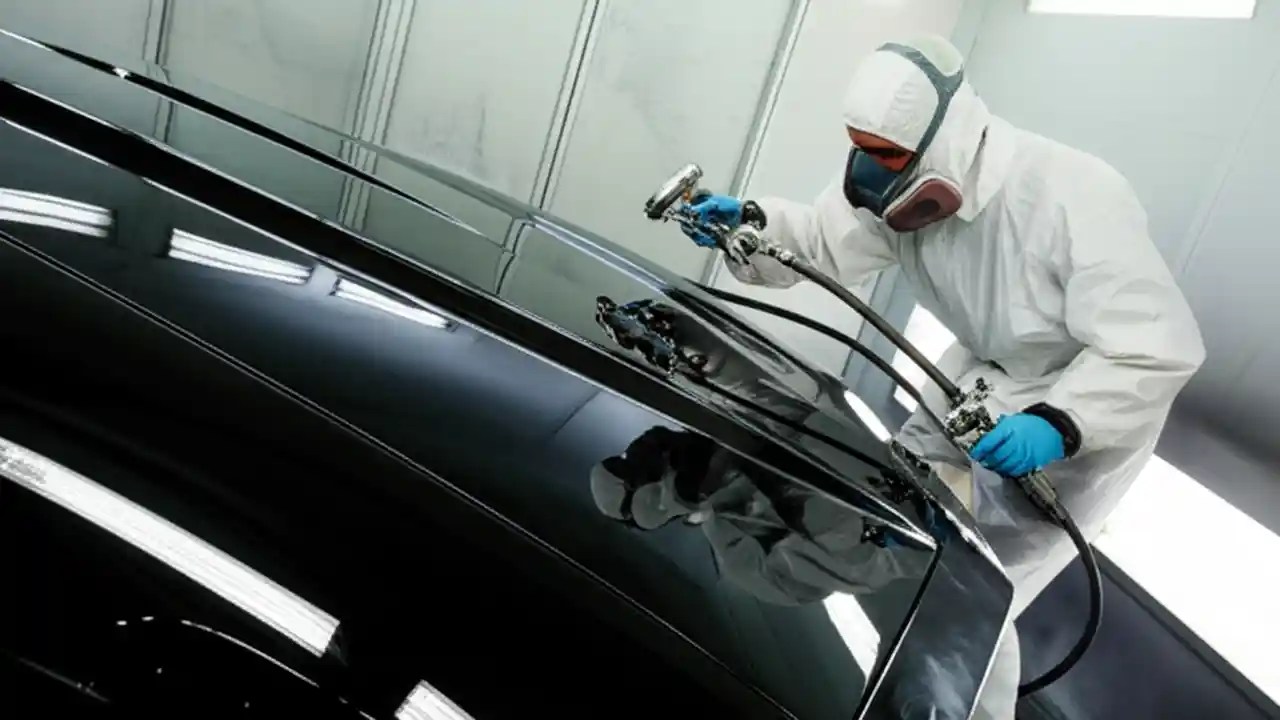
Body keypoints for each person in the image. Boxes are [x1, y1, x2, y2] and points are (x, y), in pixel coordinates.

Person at [681, 34, 1205, 719]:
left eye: (887, 154)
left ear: (947, 138)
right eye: (860, 147)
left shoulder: (1075, 194)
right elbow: (817, 244)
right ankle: (867, 648)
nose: (871, 169)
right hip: (982, 370)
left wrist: (1058, 425)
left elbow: (1154, 347)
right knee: (891, 501)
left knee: (980, 593)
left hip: (1079, 402)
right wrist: (752, 223)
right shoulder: (896, 177)